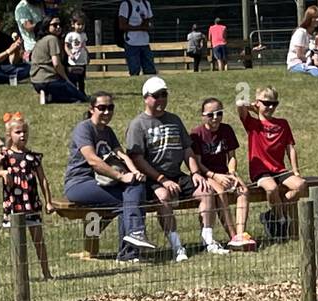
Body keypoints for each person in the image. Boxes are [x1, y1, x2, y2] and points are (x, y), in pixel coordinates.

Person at [126, 76, 217, 261]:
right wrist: (161, 179)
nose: (161, 99)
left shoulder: (174, 119)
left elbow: (187, 149)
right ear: (146, 98)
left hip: (177, 174)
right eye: (156, 95)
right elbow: (137, 159)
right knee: (163, 197)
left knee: (206, 191)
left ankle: (209, 240)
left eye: (164, 94)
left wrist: (196, 173)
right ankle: (177, 246)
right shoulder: (138, 125)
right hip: (152, 179)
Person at [62, 92, 153, 262]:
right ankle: (130, 246)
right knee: (128, 200)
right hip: (79, 184)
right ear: (91, 109)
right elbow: (93, 160)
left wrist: (134, 173)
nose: (106, 112)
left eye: (110, 108)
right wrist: (121, 177)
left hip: (102, 182)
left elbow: (123, 155)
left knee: (136, 188)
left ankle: (133, 239)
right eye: (101, 108)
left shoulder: (108, 131)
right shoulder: (84, 128)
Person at [0, 113, 54, 280]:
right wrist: (3, 172)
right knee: (18, 243)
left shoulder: (33, 157)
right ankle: (20, 275)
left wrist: (48, 201)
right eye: (18, 132)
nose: (22, 135)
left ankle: (47, 272)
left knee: (38, 240)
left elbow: (43, 180)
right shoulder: (5, 155)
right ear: (10, 135)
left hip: (31, 203)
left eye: (24, 132)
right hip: (14, 204)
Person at [237, 87, 306, 241]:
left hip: (279, 169)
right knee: (272, 188)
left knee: (301, 185)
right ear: (257, 103)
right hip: (260, 171)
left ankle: (273, 215)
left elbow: (290, 147)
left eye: (274, 104)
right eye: (266, 103)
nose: (270, 107)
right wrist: (253, 108)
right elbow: (240, 105)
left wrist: (295, 171)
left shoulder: (282, 124)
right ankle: (281, 220)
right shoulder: (253, 124)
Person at [190, 98, 257, 249]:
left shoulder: (227, 130)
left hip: (225, 172)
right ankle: (233, 236)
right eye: (210, 115)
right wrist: (215, 176)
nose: (215, 118)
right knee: (220, 193)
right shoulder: (197, 134)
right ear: (203, 116)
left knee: (243, 190)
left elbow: (232, 156)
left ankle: (240, 233)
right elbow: (198, 163)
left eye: (219, 113)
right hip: (205, 174)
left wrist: (232, 172)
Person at [30, 16, 86, 104]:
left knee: (73, 75)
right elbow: (56, 64)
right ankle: (53, 97)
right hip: (49, 80)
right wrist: (66, 79)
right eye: (55, 25)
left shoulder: (40, 41)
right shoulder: (52, 39)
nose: (58, 27)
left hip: (36, 81)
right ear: (47, 26)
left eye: (60, 24)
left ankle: (48, 94)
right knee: (80, 98)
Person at [118, 0, 155, 77]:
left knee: (150, 69)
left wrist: (147, 24)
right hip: (132, 42)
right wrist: (140, 27)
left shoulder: (146, 3)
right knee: (134, 69)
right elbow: (122, 25)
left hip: (144, 42)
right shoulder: (126, 4)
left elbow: (150, 21)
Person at [286, 6, 318, 77]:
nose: (317, 20)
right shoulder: (301, 32)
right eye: (314, 17)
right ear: (308, 18)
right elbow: (299, 55)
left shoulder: (315, 34)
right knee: (312, 69)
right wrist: (312, 60)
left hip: (310, 62)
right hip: (296, 64)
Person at [65, 15, 88, 96]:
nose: (80, 26)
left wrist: (87, 55)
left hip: (82, 60)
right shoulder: (70, 35)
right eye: (78, 24)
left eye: (82, 24)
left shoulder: (84, 35)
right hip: (73, 61)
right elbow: (66, 46)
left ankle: (82, 93)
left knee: (81, 79)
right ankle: (73, 93)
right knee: (74, 78)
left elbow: (84, 46)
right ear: (73, 24)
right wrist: (70, 54)